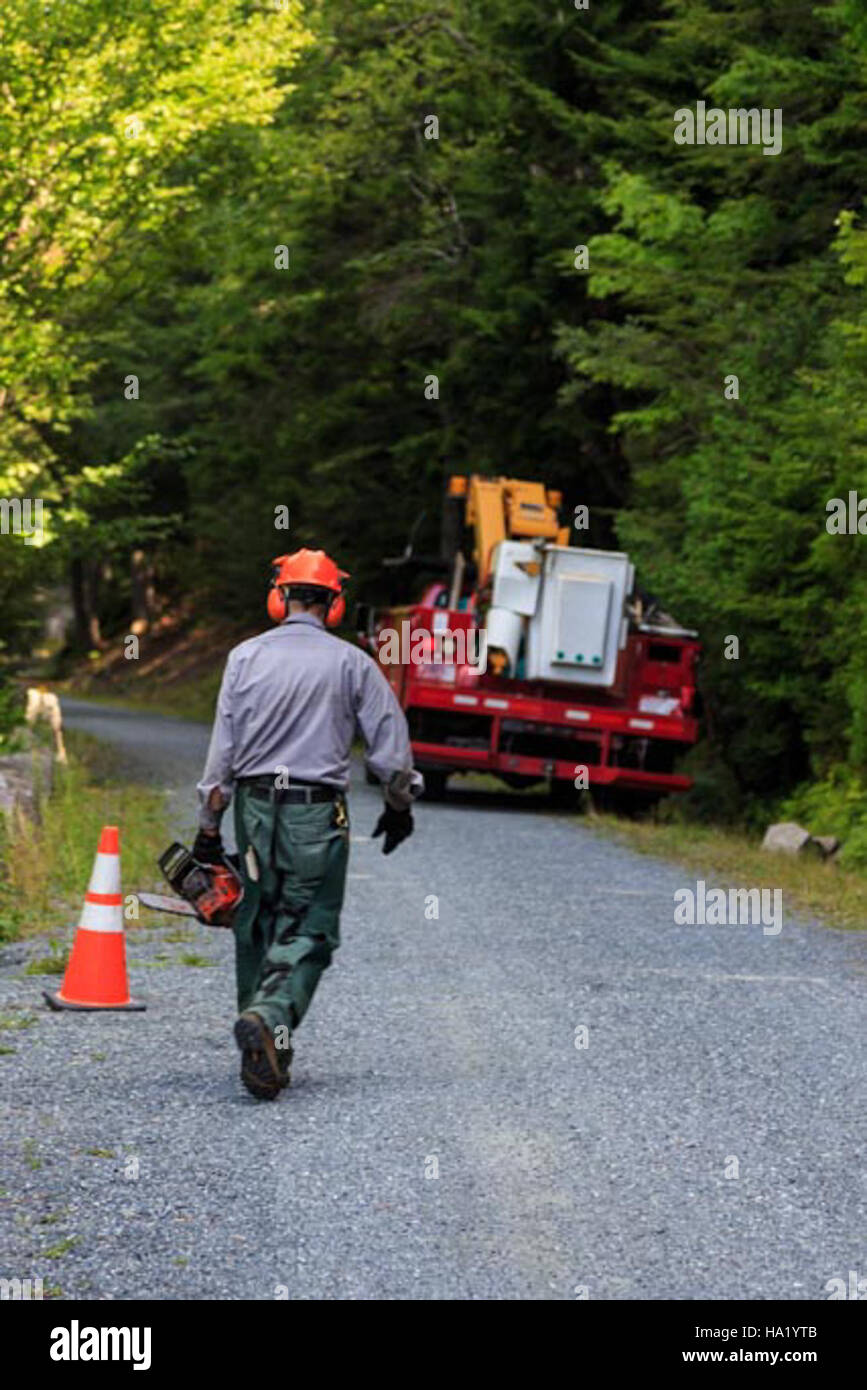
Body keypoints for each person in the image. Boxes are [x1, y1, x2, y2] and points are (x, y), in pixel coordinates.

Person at [195, 548, 422, 1100]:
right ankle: (268, 1014)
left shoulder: (244, 657)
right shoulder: (352, 664)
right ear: (334, 604)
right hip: (315, 813)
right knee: (309, 928)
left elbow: (221, 751)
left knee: (258, 921)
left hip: (252, 809)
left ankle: (269, 1047)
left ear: (280, 597)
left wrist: (208, 826)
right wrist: (399, 805)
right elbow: (390, 751)